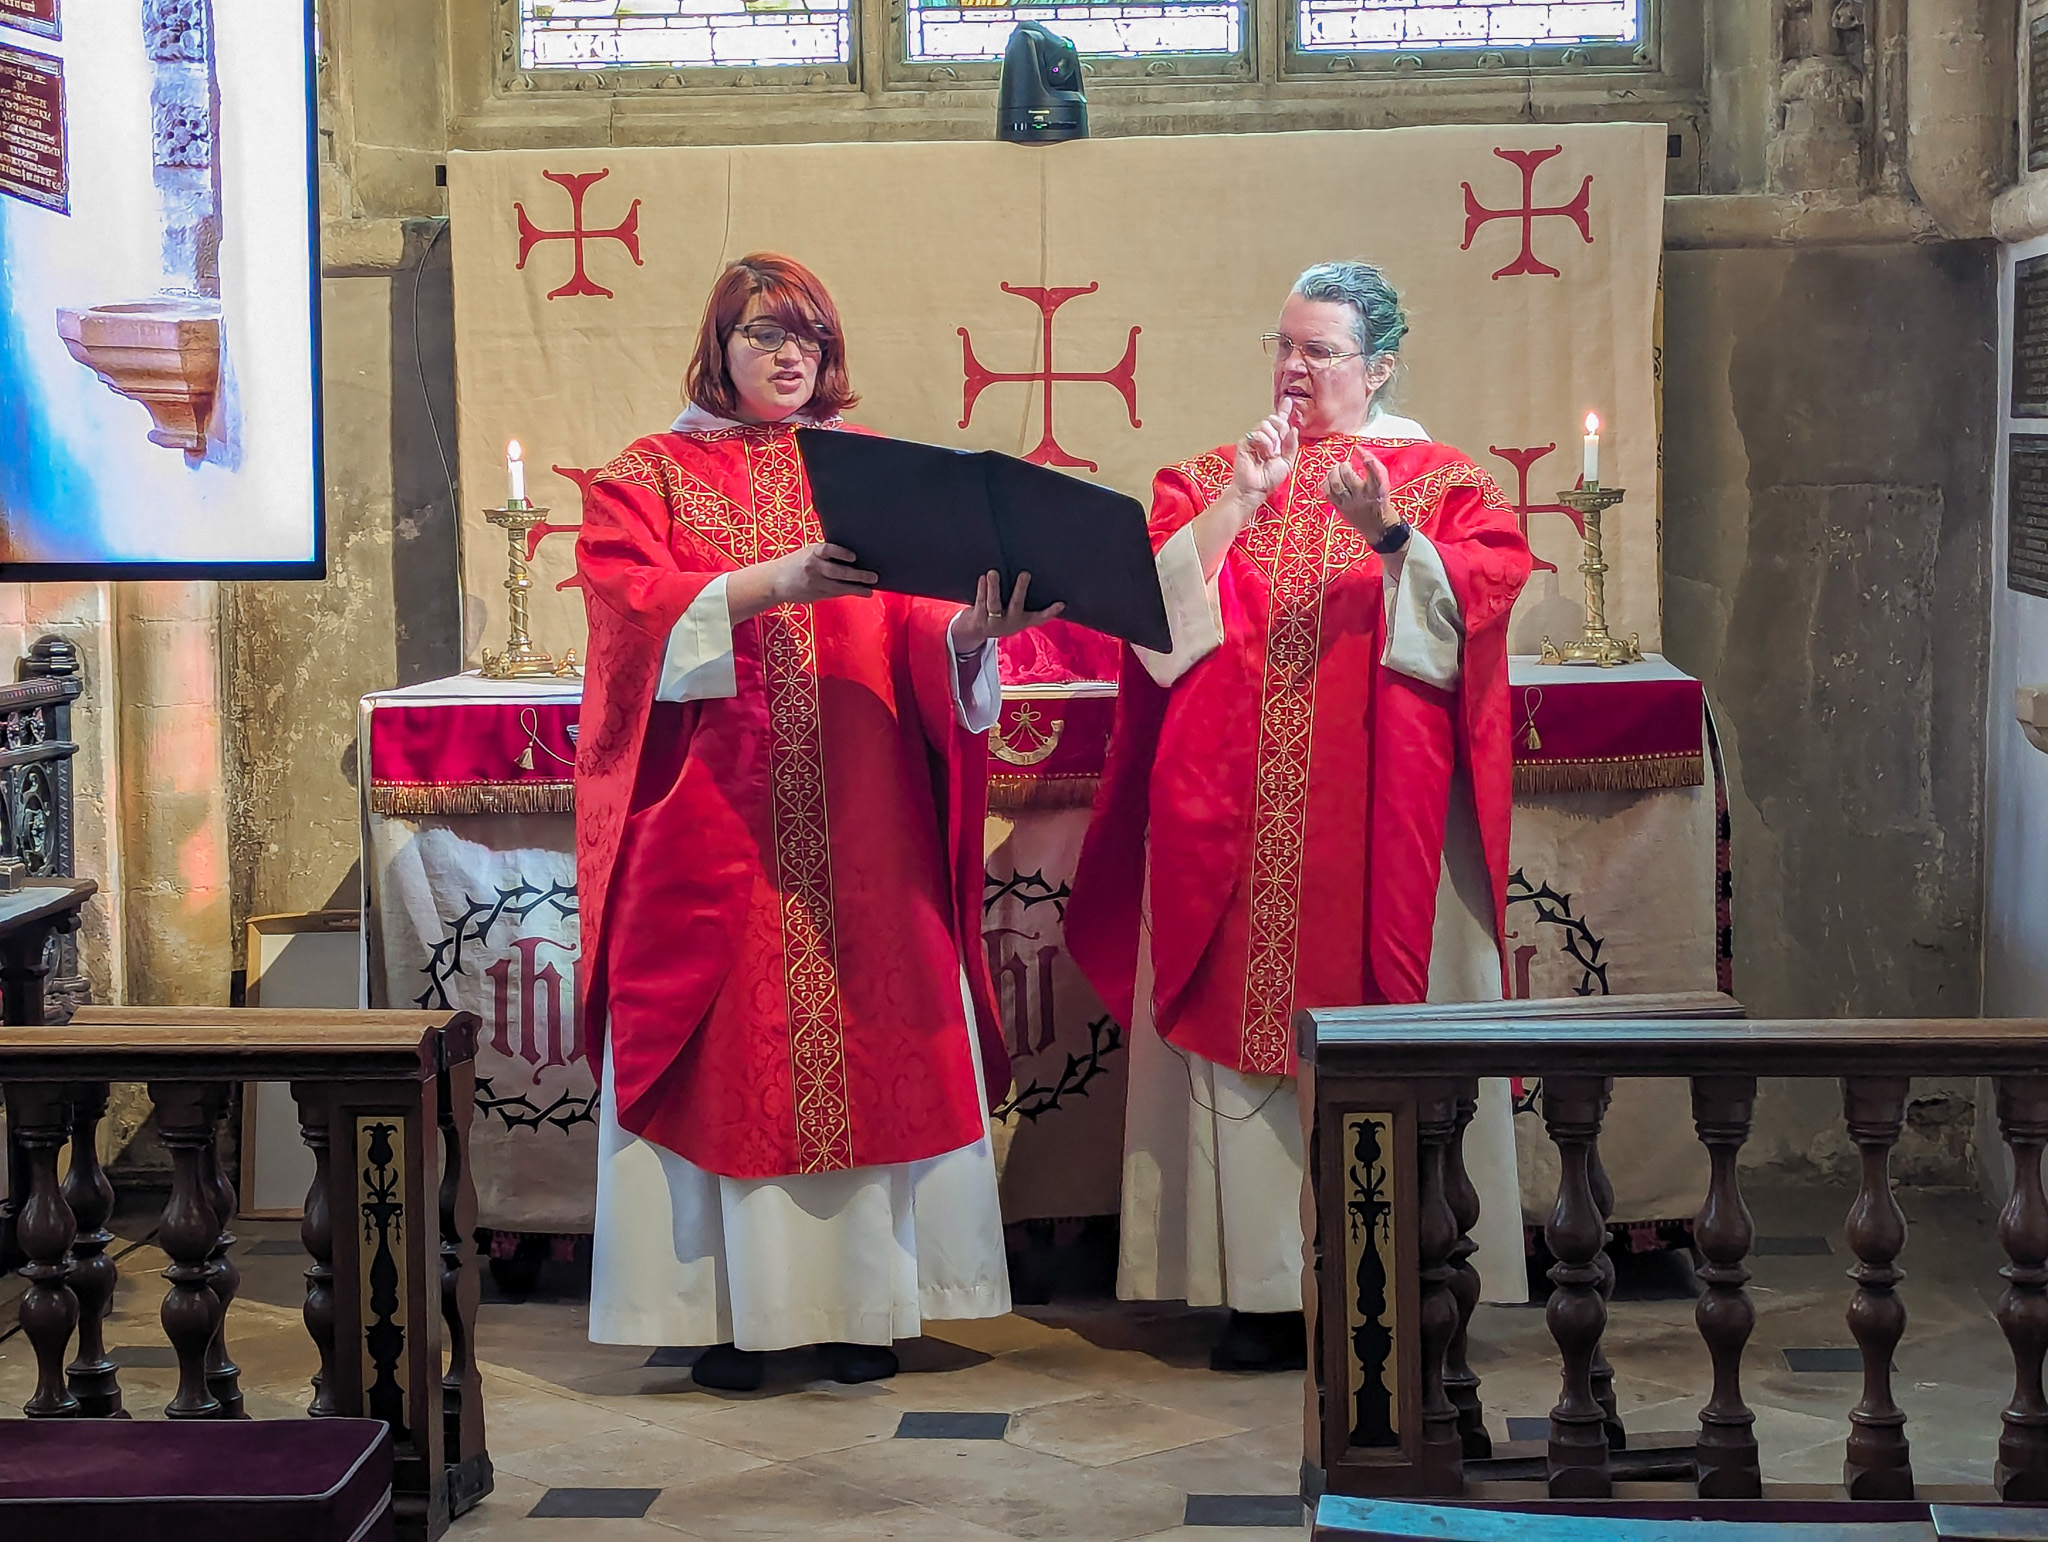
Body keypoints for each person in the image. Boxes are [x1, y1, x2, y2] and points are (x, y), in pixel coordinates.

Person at [574, 253, 1059, 1391]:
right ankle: (741, 1318)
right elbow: (627, 613)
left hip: (863, 822)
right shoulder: (646, 474)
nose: (786, 355)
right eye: (759, 334)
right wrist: (771, 583)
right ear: (717, 345)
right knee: (731, 1060)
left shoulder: (871, 471)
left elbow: (917, 620)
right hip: (717, 835)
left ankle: (859, 1311)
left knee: (872, 1042)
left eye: (806, 338)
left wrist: (973, 634)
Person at [1067, 260, 1534, 1372]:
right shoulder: (1201, 479)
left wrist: (1389, 539)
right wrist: (1237, 499)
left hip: (1379, 824)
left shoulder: (1439, 482)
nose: (1291, 369)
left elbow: (1479, 607)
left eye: (1318, 351)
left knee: (1373, 1033)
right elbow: (1151, 630)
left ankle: (1401, 1273)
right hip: (1225, 823)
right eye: (1281, 346)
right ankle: (1261, 1291)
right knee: (1243, 1042)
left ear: (1377, 368)